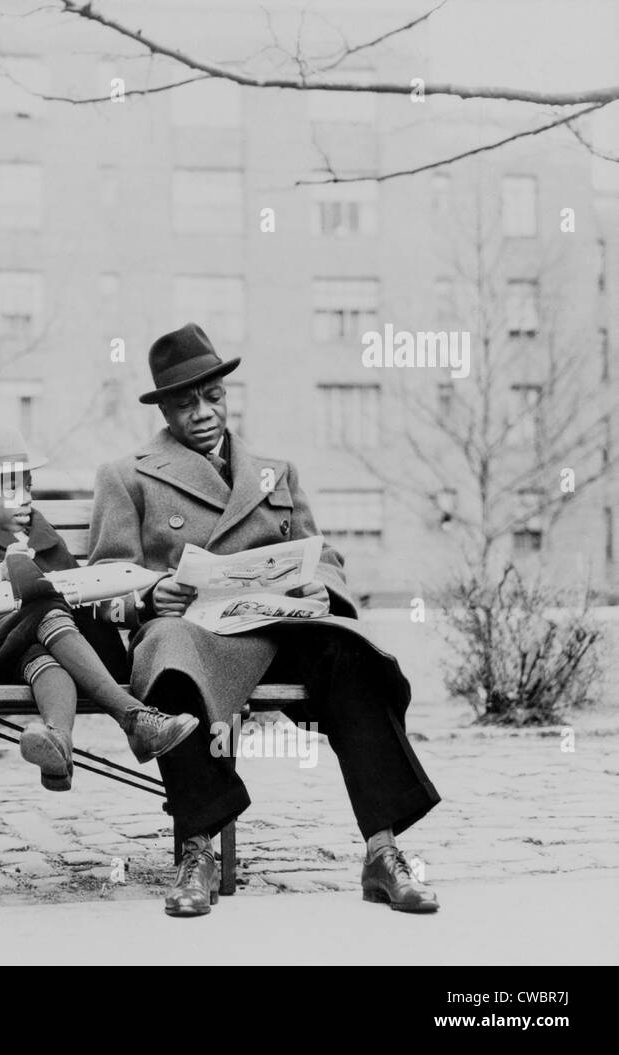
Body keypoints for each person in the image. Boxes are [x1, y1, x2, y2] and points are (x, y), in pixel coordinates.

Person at [87, 322, 442, 917]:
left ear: (228, 395)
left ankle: (383, 850)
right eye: (184, 403)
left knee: (351, 654)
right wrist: (152, 596)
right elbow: (102, 584)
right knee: (167, 652)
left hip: (281, 626)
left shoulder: (276, 471)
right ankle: (197, 850)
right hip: (196, 633)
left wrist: (319, 584)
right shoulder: (127, 475)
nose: (202, 412)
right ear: (165, 411)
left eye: (213, 396)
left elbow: (323, 554)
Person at [0, 427, 198, 790]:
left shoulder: (41, 538)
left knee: (45, 642)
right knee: (44, 599)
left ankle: (58, 744)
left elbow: (82, 599)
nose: (26, 499)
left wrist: (138, 606)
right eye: (11, 488)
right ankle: (134, 720)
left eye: (28, 487)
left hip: (34, 655)